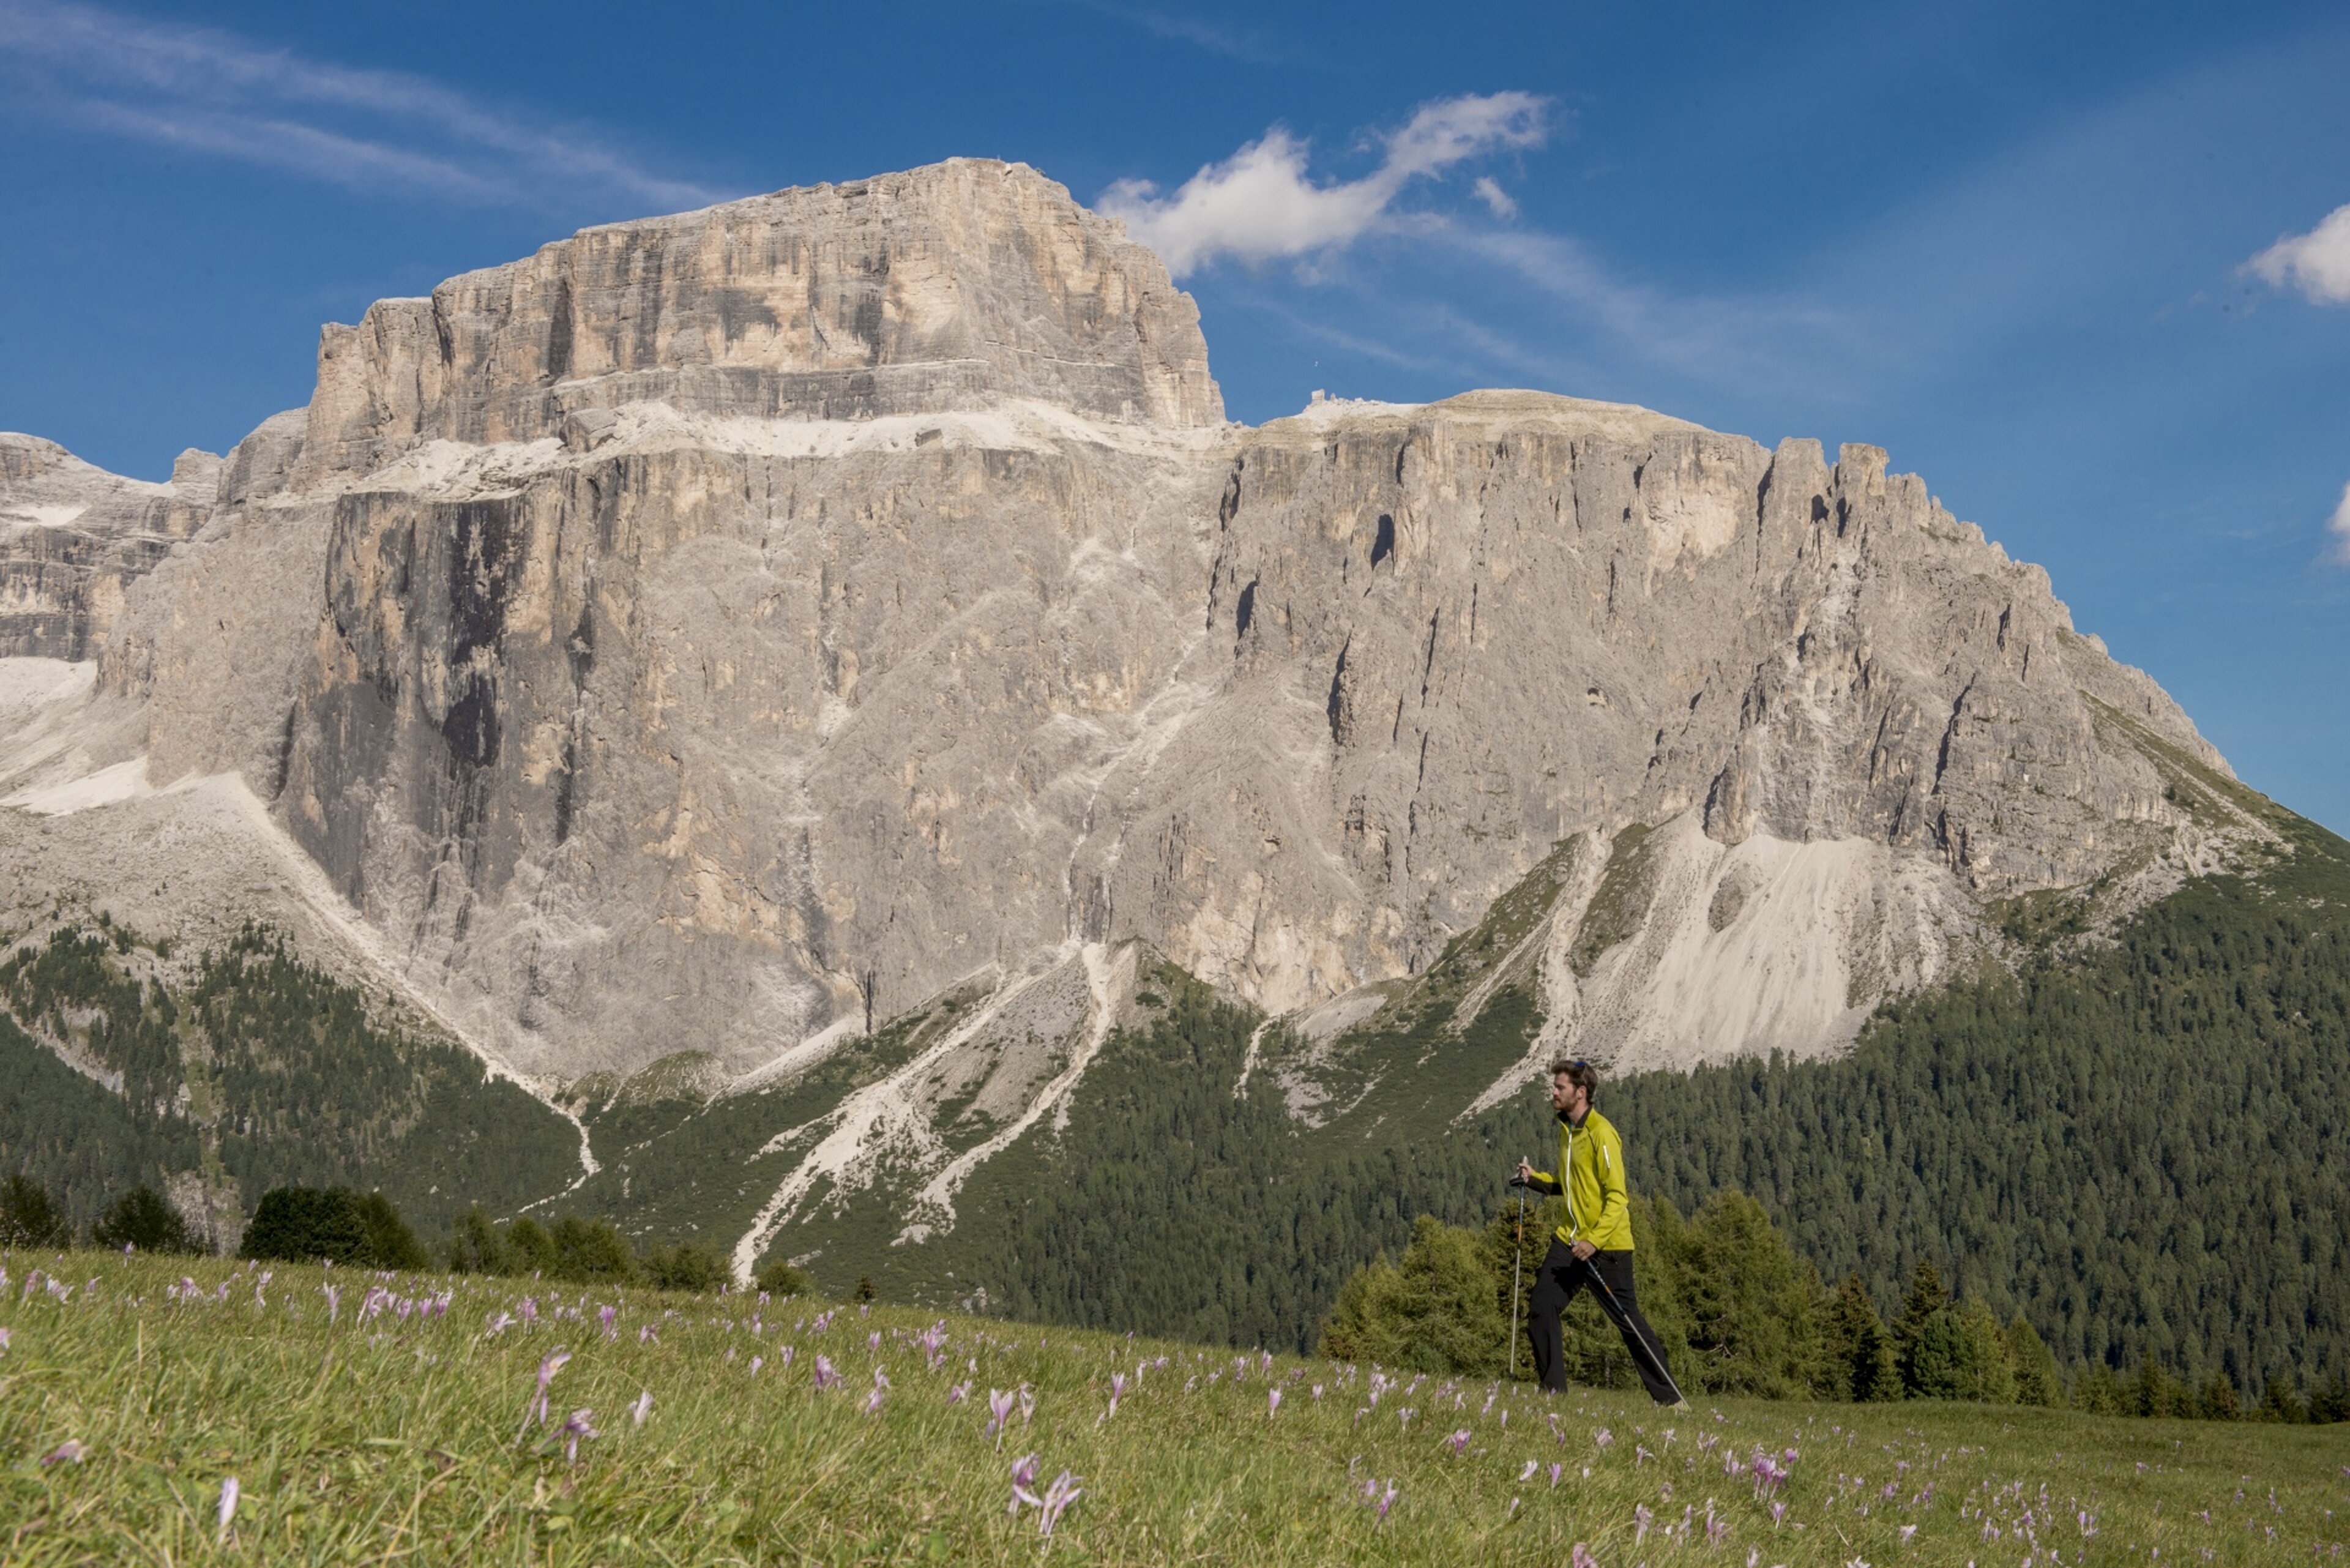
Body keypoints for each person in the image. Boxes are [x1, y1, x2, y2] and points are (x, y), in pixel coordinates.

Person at [1513, 1058, 1685, 1405]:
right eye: (1555, 1086)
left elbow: (1617, 1197)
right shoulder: (1568, 1131)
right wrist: (1534, 1179)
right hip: (1569, 1240)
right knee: (1541, 1307)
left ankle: (1671, 1401)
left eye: (1559, 1087)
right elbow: (1568, 1185)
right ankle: (1553, 1393)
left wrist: (1595, 1240)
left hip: (1608, 1246)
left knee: (1628, 1323)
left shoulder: (1602, 1134)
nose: (1553, 1091)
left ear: (1581, 1092)